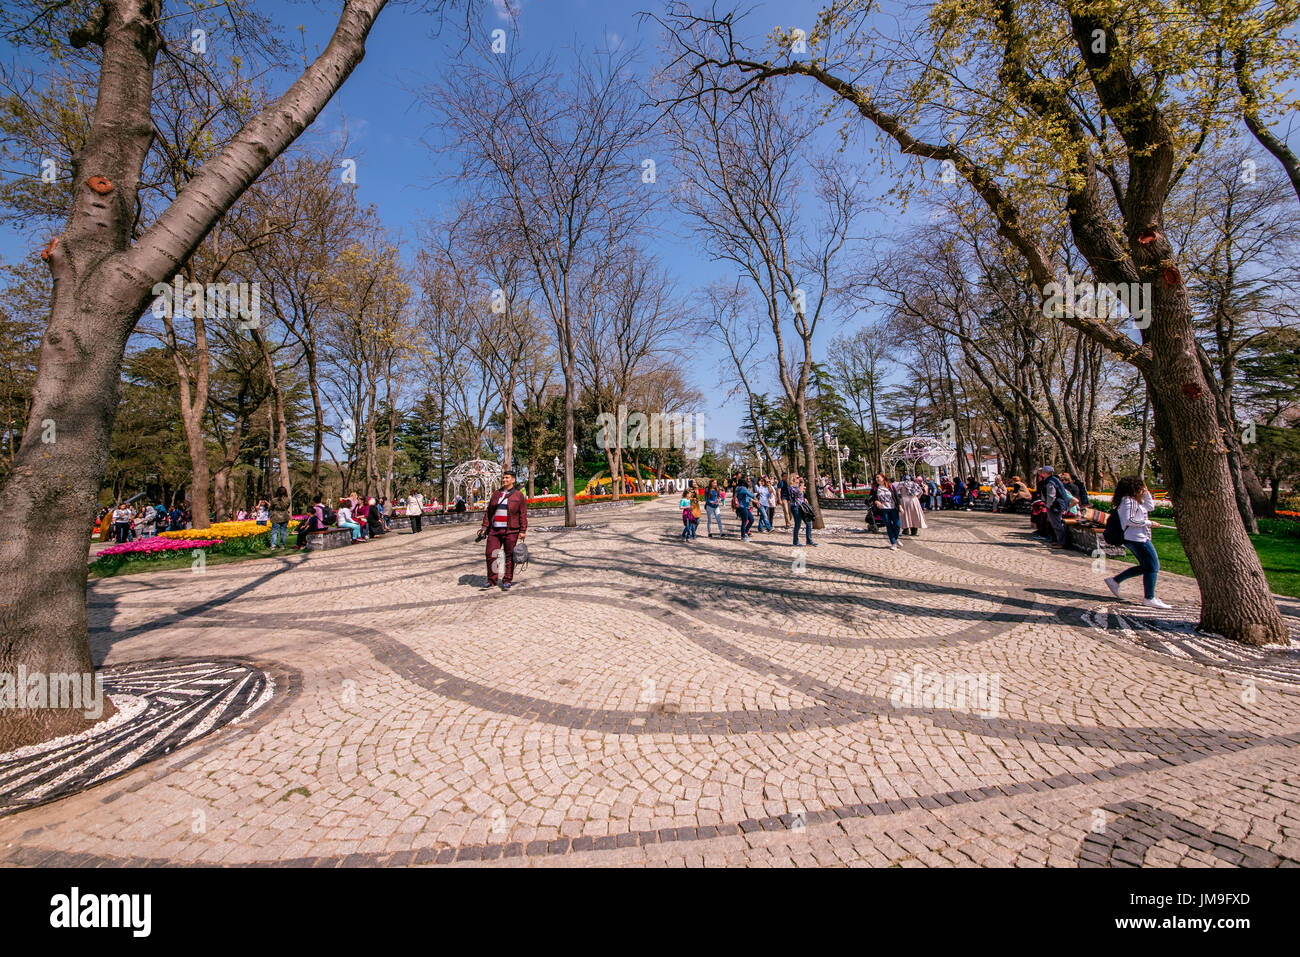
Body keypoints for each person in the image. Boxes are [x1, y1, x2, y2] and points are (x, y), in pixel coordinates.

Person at [1104, 476, 1172, 609]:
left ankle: (1115, 581)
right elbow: (1129, 520)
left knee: (1147, 566)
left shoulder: (1134, 500)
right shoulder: (1127, 501)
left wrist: (1146, 493)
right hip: (1135, 538)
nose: (1143, 488)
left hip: (1140, 537)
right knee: (1153, 566)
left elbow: (1150, 507)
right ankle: (1149, 597)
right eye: (1141, 486)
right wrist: (1149, 523)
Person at [479, 469, 527, 590]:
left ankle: (507, 580)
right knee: (491, 554)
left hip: (511, 530)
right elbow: (489, 512)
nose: (504, 480)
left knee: (509, 556)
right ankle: (492, 580)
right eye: (503, 478)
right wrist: (484, 527)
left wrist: (523, 530)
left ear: (513, 480)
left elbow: (523, 514)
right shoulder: (496, 494)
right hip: (494, 530)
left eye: (507, 478)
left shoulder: (518, 495)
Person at [1035, 466, 1070, 549]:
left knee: (1056, 524)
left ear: (1046, 473)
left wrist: (1048, 505)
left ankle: (1061, 543)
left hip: (1055, 505)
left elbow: (1051, 496)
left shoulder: (1050, 482)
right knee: (1056, 523)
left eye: (1043, 472)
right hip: (1057, 504)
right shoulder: (1054, 480)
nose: (1041, 474)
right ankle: (1059, 541)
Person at [874, 472, 901, 550]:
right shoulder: (876, 488)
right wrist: (876, 501)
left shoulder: (890, 486)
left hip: (893, 508)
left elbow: (896, 497)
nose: (877, 479)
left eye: (878, 477)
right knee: (888, 526)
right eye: (876, 478)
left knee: (897, 525)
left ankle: (896, 537)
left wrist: (900, 506)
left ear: (883, 478)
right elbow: (872, 498)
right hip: (883, 510)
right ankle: (893, 543)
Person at [790, 474, 815, 546]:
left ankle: (809, 540)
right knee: (798, 524)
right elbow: (799, 493)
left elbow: (801, 495)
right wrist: (802, 484)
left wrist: (804, 499)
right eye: (797, 478)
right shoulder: (791, 487)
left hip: (802, 506)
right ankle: (795, 541)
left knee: (808, 522)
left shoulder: (798, 486)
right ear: (793, 479)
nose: (799, 479)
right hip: (795, 507)